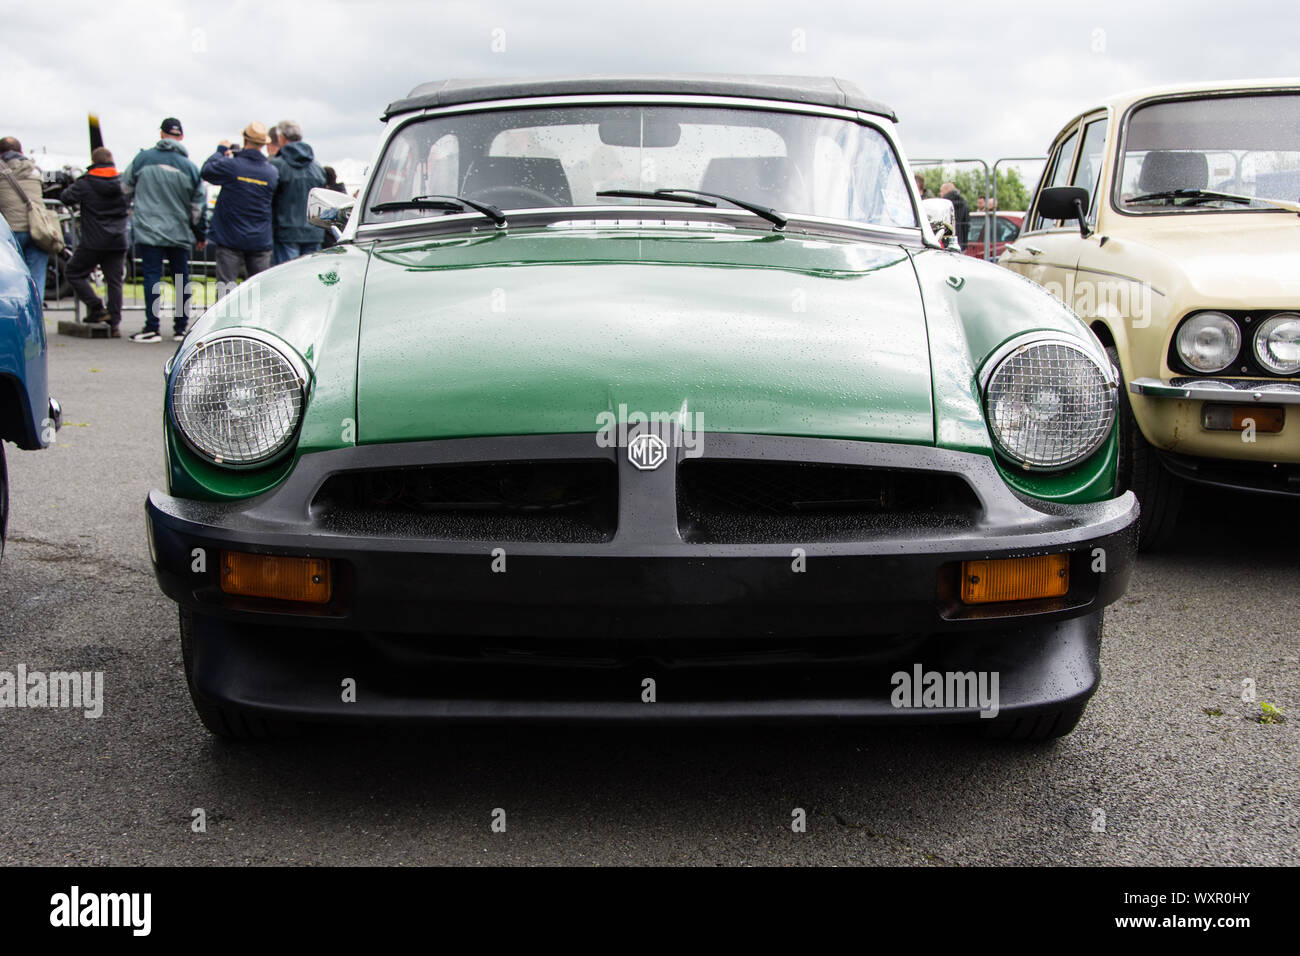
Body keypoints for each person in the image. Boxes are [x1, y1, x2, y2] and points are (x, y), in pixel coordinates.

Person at [122, 117, 208, 343]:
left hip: (148, 228)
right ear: (181, 137)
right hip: (179, 230)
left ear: (161, 134)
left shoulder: (142, 159)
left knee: (151, 276)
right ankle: (181, 328)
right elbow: (198, 206)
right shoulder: (189, 167)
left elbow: (125, 188)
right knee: (181, 278)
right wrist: (200, 233)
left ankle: (152, 327)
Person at [202, 122, 278, 293]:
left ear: (245, 140)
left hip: (230, 238)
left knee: (226, 293)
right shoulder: (271, 172)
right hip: (259, 240)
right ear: (263, 144)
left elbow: (206, 171)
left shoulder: (232, 166)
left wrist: (221, 151)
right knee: (260, 293)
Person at [59, 147, 128, 335]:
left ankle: (96, 307)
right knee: (114, 282)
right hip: (118, 239)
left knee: (73, 272)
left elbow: (65, 197)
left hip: (93, 239)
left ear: (93, 161)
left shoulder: (86, 182)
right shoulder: (123, 182)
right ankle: (114, 323)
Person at [269, 120, 326, 264]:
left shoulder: (277, 166)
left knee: (286, 274)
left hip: (286, 233)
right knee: (309, 274)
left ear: (282, 137)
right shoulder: (318, 168)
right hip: (314, 233)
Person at [0, 137, 49, 289]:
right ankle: (36, 305)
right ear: (21, 151)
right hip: (39, 230)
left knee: (9, 280)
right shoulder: (35, 170)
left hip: (11, 231)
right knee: (36, 279)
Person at [940, 181, 971, 250]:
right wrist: (964, 244)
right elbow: (966, 226)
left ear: (947, 190)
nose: (940, 194)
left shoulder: (944, 204)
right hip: (960, 243)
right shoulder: (964, 203)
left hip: (945, 244)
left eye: (941, 191)